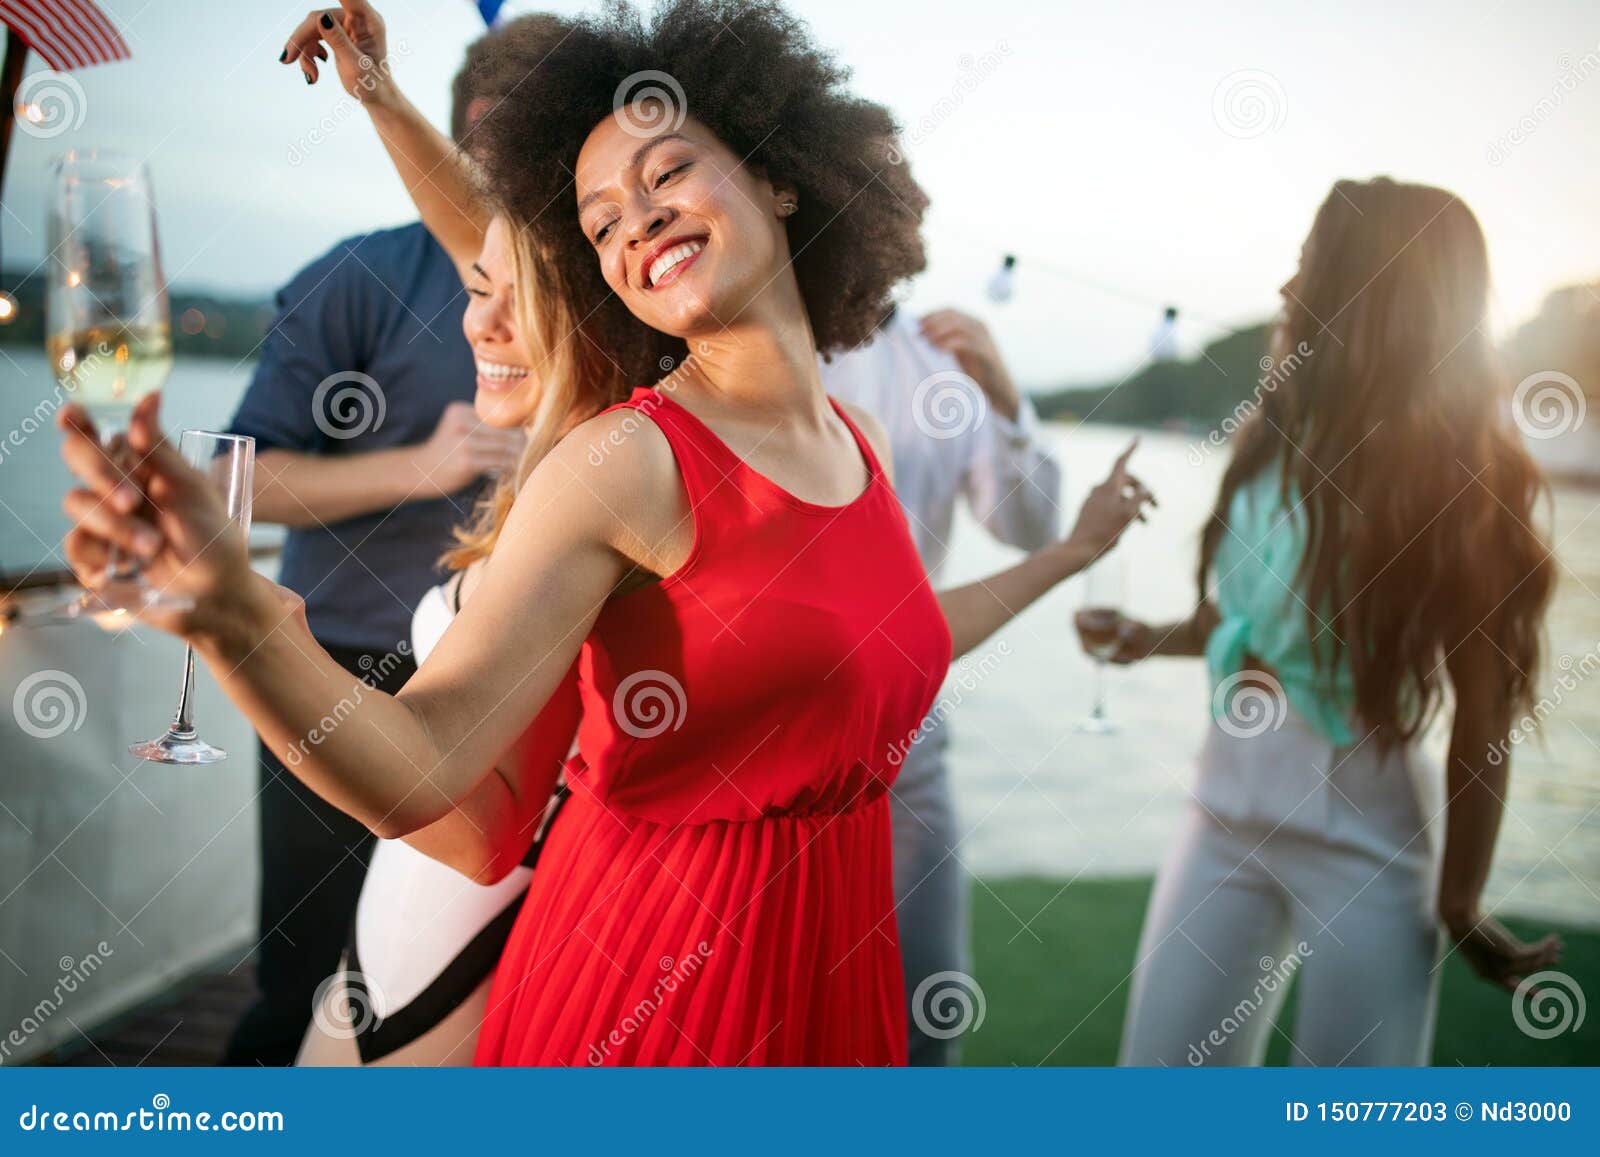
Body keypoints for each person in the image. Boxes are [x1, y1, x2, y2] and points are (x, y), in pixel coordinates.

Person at [58, 0, 1153, 1066]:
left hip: (832, 980)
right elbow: (431, 765)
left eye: (667, 172)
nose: (638, 221)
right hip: (648, 995)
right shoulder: (622, 462)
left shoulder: (856, 437)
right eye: (600, 223)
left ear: (779, 169)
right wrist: (237, 619)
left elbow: (894, 634)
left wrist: (1068, 552)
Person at [1081, 178, 1563, 1066]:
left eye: (1307, 264)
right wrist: (1146, 638)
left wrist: (1462, 901)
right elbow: (1246, 622)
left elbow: (1483, 712)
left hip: (1368, 843)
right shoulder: (1268, 433)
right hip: (1223, 814)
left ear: (1365, 295)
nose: (1285, 288)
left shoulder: (1461, 483)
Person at [218, 16, 526, 1066]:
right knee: (301, 978)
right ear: (467, 129)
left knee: (479, 1012)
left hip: (509, 699)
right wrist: (422, 466)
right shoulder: (357, 275)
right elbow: (229, 478)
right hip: (340, 670)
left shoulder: (596, 295)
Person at [819, 304, 1061, 1064]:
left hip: (905, 733)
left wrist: (1006, 394)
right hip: (761, 737)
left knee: (928, 1001)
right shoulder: (743, 337)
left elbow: (1030, 525)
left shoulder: (941, 361)